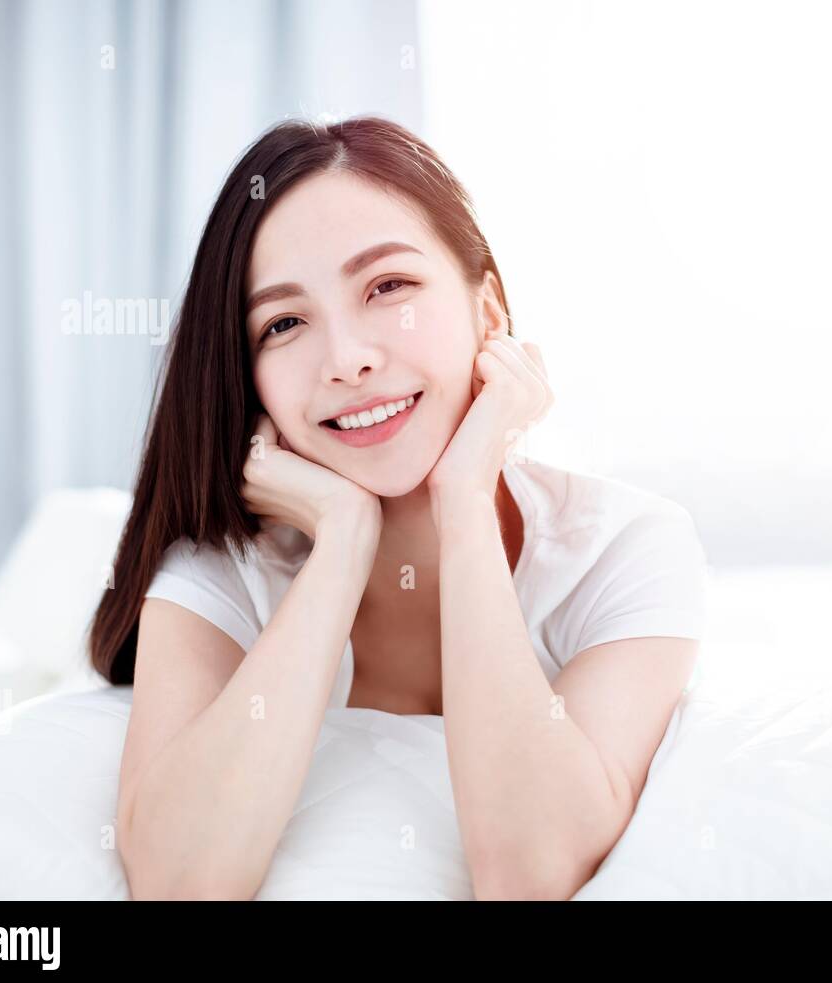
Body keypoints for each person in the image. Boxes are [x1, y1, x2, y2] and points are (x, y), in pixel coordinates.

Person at [87, 115, 709, 901]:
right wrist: (343, 539)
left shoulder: (627, 548)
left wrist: (464, 503)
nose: (348, 359)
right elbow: (180, 882)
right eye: (284, 323)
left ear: (489, 313)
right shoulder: (218, 571)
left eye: (389, 287)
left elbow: (529, 871)